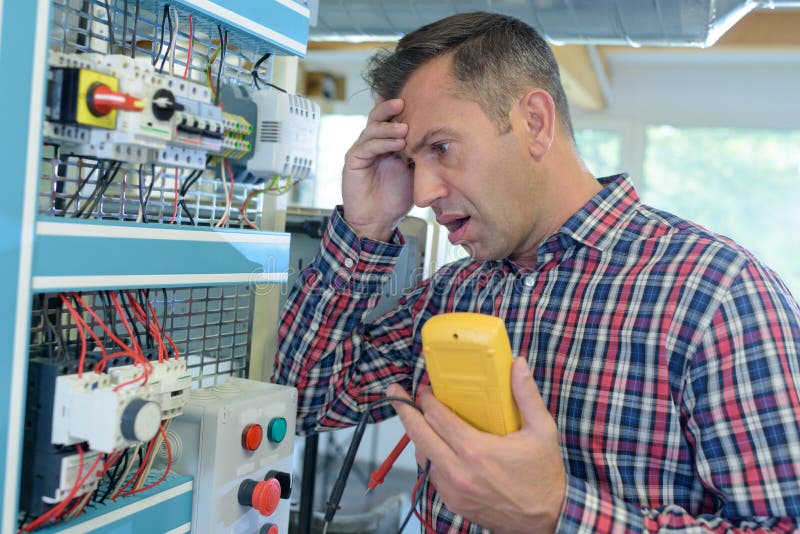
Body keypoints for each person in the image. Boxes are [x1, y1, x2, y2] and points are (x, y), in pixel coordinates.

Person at [272, 11, 800, 533]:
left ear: (534, 122)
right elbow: (303, 402)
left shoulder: (720, 296)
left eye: (441, 148)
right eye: (412, 164)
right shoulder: (455, 292)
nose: (423, 193)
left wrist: (554, 513)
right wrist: (364, 230)